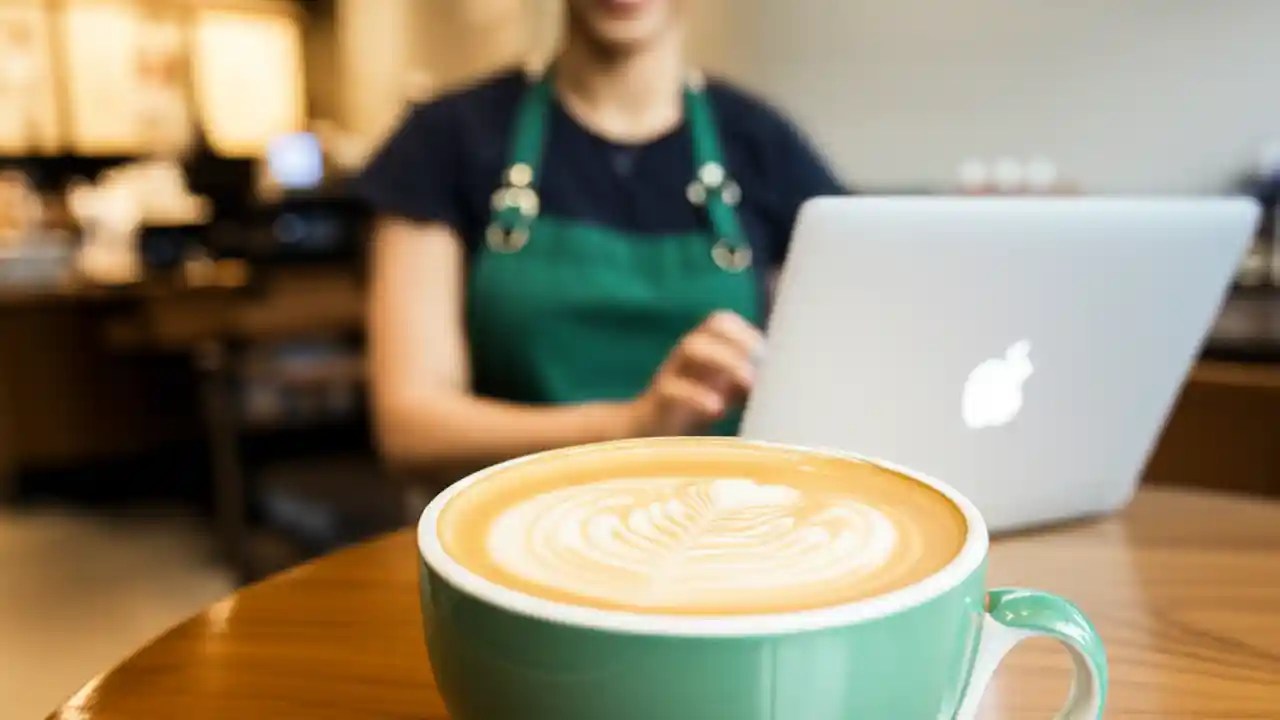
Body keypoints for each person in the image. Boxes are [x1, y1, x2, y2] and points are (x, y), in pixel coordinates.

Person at [358, 0, 844, 480]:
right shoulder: (444, 141)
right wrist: (633, 426)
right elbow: (410, 427)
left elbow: (838, 373)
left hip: (726, 520)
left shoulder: (765, 146)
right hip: (519, 523)